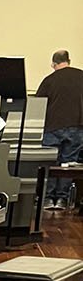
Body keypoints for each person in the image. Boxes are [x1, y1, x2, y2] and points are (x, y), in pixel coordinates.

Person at [38, 49, 83, 206]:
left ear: (53, 64)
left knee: (50, 162)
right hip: (77, 126)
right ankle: (62, 200)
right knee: (68, 163)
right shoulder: (81, 76)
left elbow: (39, 104)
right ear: (69, 61)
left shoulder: (49, 80)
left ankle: (48, 199)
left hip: (52, 127)